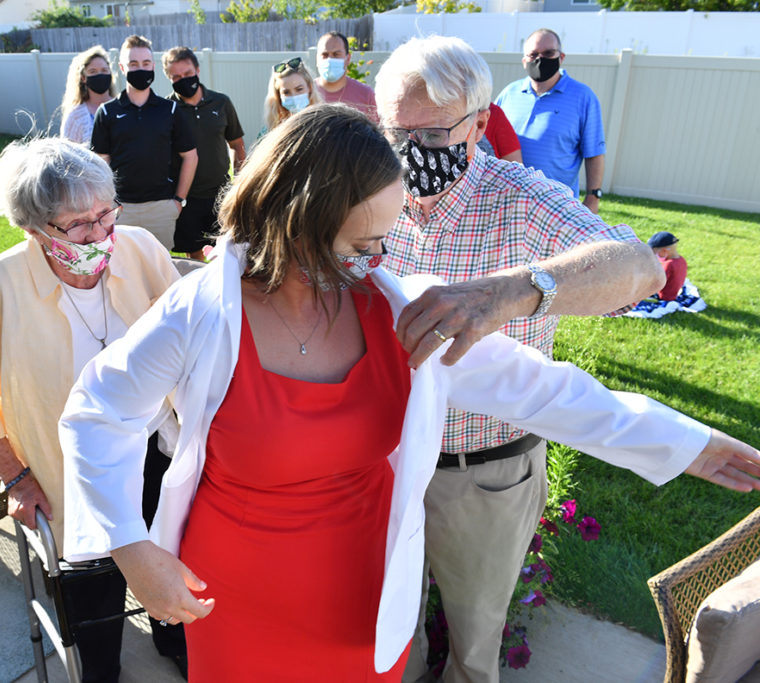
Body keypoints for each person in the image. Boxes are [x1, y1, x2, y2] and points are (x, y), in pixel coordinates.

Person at [57, 105, 760, 682]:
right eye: (362, 243)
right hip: (234, 597)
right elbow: (96, 411)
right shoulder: (202, 312)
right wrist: (130, 548)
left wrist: (691, 444)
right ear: (298, 221)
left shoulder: (407, 315)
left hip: (366, 591)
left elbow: (548, 392)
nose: (381, 260)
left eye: (386, 238)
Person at [374, 36, 669, 683]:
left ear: (479, 123)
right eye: (394, 130)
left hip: (481, 473)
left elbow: (639, 267)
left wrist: (512, 291)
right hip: (386, 462)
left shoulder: (520, 199)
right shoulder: (373, 189)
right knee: (387, 629)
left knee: (475, 644)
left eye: (429, 134)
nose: (406, 152)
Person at [0, 137, 186, 682]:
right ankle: (99, 668)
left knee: (168, 552)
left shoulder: (141, 249)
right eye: (77, 225)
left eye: (106, 214)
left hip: (154, 444)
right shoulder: (1, 283)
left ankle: (176, 638)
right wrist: (16, 479)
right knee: (94, 587)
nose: (100, 235)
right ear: (33, 227)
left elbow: (189, 339)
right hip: (69, 467)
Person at [90, 34, 198, 250]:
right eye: (133, 63)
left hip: (161, 208)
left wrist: (178, 202)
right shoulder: (107, 112)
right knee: (122, 273)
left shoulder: (170, 109)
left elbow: (190, 156)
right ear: (122, 67)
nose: (141, 68)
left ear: (153, 66)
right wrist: (107, 206)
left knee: (161, 275)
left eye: (146, 63)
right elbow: (100, 163)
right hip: (121, 210)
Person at [495, 28, 606, 213]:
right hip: (508, 203)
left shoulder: (583, 97)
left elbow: (594, 152)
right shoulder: (509, 94)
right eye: (533, 54)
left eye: (548, 53)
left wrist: (593, 198)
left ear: (561, 57)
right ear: (524, 61)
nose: (540, 59)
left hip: (556, 207)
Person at [163, 46, 246, 261]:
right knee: (194, 253)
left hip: (221, 193)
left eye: (188, 74)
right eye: (176, 76)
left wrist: (240, 182)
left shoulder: (221, 102)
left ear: (198, 70)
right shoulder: (166, 109)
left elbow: (237, 144)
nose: (183, 79)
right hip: (186, 198)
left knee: (228, 249)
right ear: (169, 78)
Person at [313, 31, 378, 122]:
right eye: (325, 55)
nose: (329, 60)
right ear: (317, 59)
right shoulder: (306, 92)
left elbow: (377, 132)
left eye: (336, 54)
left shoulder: (366, 94)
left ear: (348, 59)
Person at [60, 45, 115, 145]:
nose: (100, 75)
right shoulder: (76, 117)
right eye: (93, 71)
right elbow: (67, 154)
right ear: (83, 78)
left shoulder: (123, 108)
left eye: (104, 70)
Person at [260, 56, 320, 136]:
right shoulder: (269, 131)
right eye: (286, 92)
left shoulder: (323, 124)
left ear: (310, 87)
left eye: (299, 89)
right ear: (278, 95)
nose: (294, 96)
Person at [648, 230, 688, 301]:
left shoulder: (669, 264)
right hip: (675, 293)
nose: (654, 256)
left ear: (664, 251)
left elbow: (657, 283)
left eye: (655, 253)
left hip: (664, 297)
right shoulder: (681, 260)